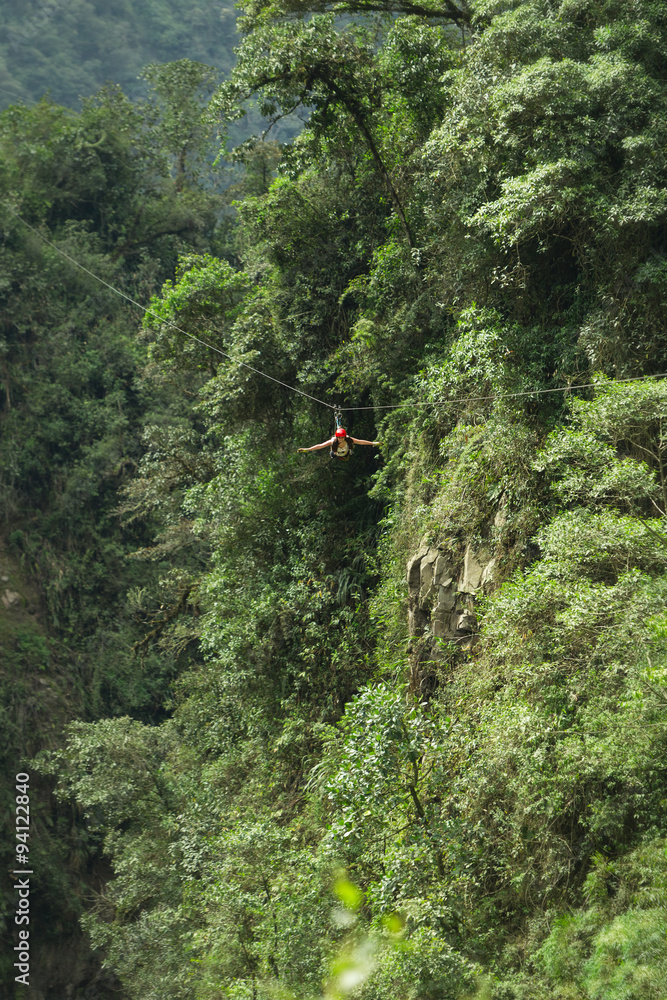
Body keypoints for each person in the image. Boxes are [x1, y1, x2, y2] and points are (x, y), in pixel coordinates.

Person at [297, 426, 379, 461]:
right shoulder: (333, 441)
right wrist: (308, 449)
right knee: (333, 454)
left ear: (344, 437)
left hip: (346, 453)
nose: (340, 439)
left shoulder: (349, 440)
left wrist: (373, 443)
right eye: (339, 438)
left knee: (347, 456)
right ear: (337, 437)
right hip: (335, 453)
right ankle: (336, 455)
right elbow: (320, 446)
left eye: (342, 437)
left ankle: (345, 455)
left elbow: (361, 442)